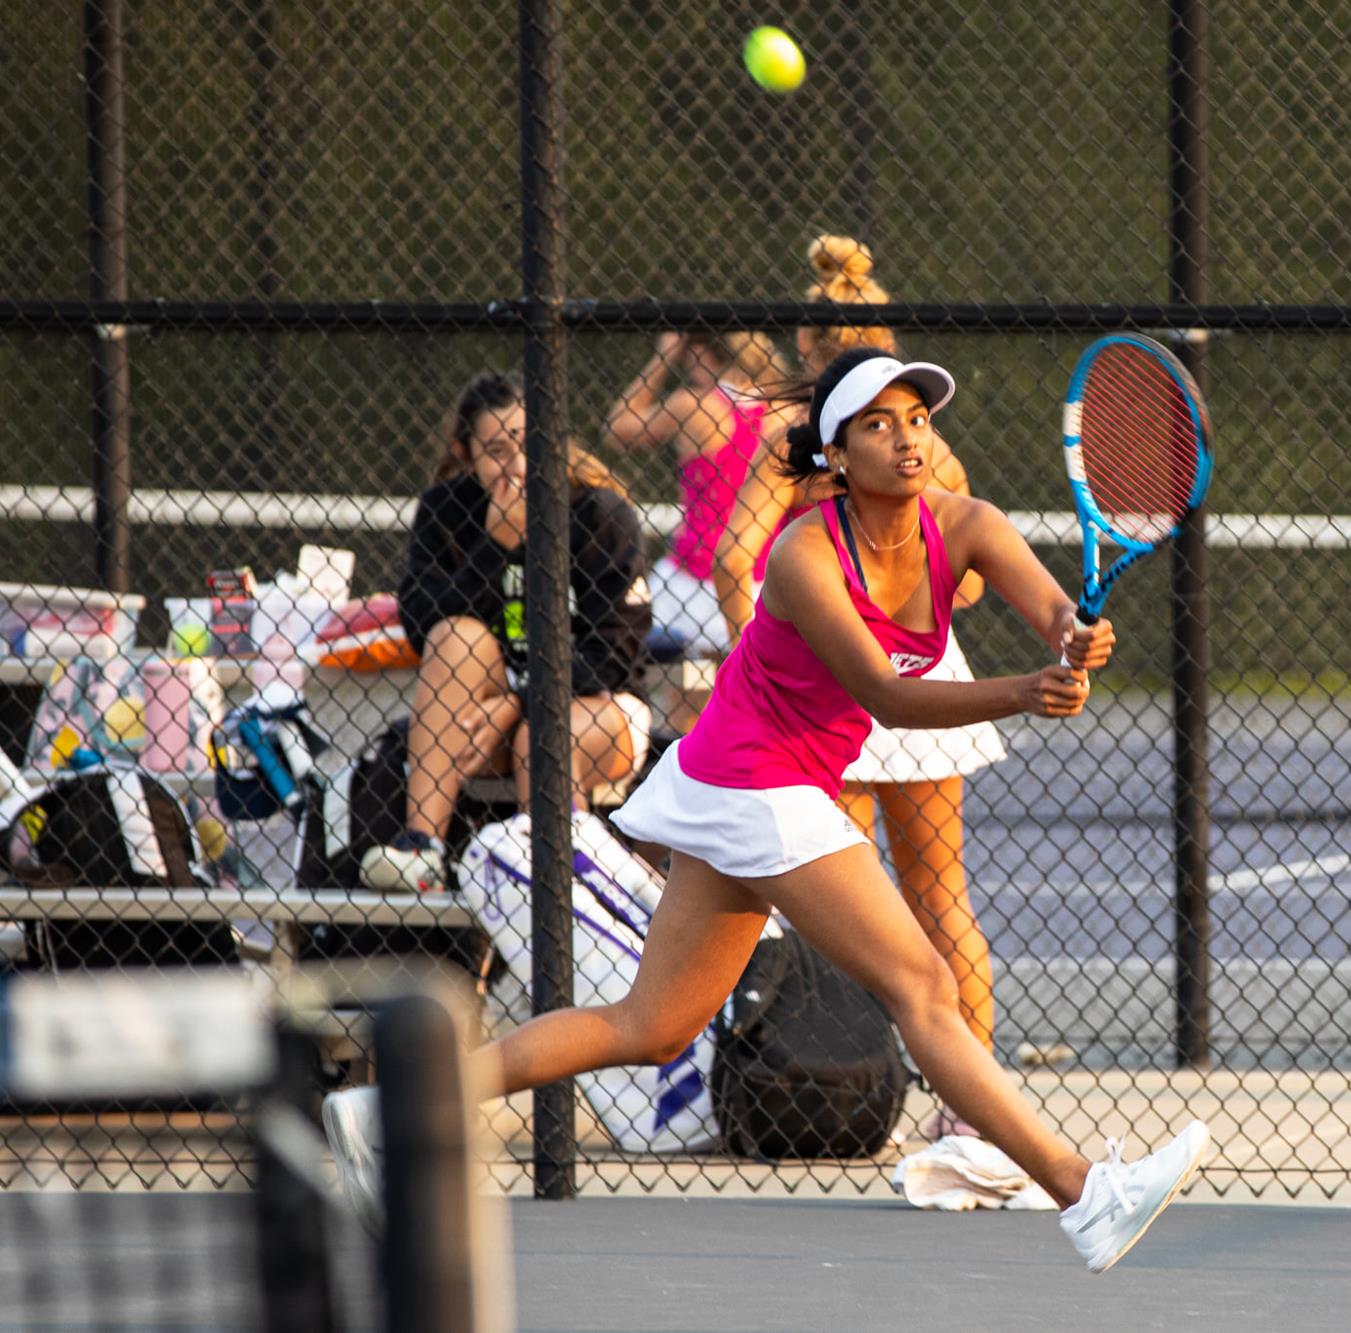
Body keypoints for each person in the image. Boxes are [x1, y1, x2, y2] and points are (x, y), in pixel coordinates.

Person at [327, 349, 1210, 1273]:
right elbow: (885, 693)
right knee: (923, 986)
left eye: (917, 418)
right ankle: (1085, 1193)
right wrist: (1026, 690)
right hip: (757, 781)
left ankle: (388, 1111)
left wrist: (1073, 636)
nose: (907, 438)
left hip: (751, 782)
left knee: (649, 1027)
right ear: (836, 455)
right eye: (877, 424)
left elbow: (1058, 614)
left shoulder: (970, 525)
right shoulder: (803, 555)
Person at [713, 237, 1007, 1117]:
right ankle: (973, 1115)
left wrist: (756, 658)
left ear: (809, 348)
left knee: (841, 916)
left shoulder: (798, 444)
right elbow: (972, 582)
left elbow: (733, 559)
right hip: (923, 678)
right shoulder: (928, 450)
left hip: (823, 692)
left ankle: (845, 1086)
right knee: (940, 898)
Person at [360, 370, 653, 894]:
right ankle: (422, 849)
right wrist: (494, 547)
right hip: (479, 716)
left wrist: (521, 702)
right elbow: (422, 626)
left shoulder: (600, 513)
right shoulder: (447, 510)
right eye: (497, 451)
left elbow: (615, 655)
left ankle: (561, 884)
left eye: (529, 445)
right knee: (457, 637)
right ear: (466, 453)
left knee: (541, 736)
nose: (518, 465)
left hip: (596, 708)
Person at [601, 330, 782, 659]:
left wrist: (664, 357)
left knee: (664, 667)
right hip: (760, 589)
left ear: (699, 352)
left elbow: (616, 428)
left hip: (691, 583)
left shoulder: (696, 406)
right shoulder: (783, 411)